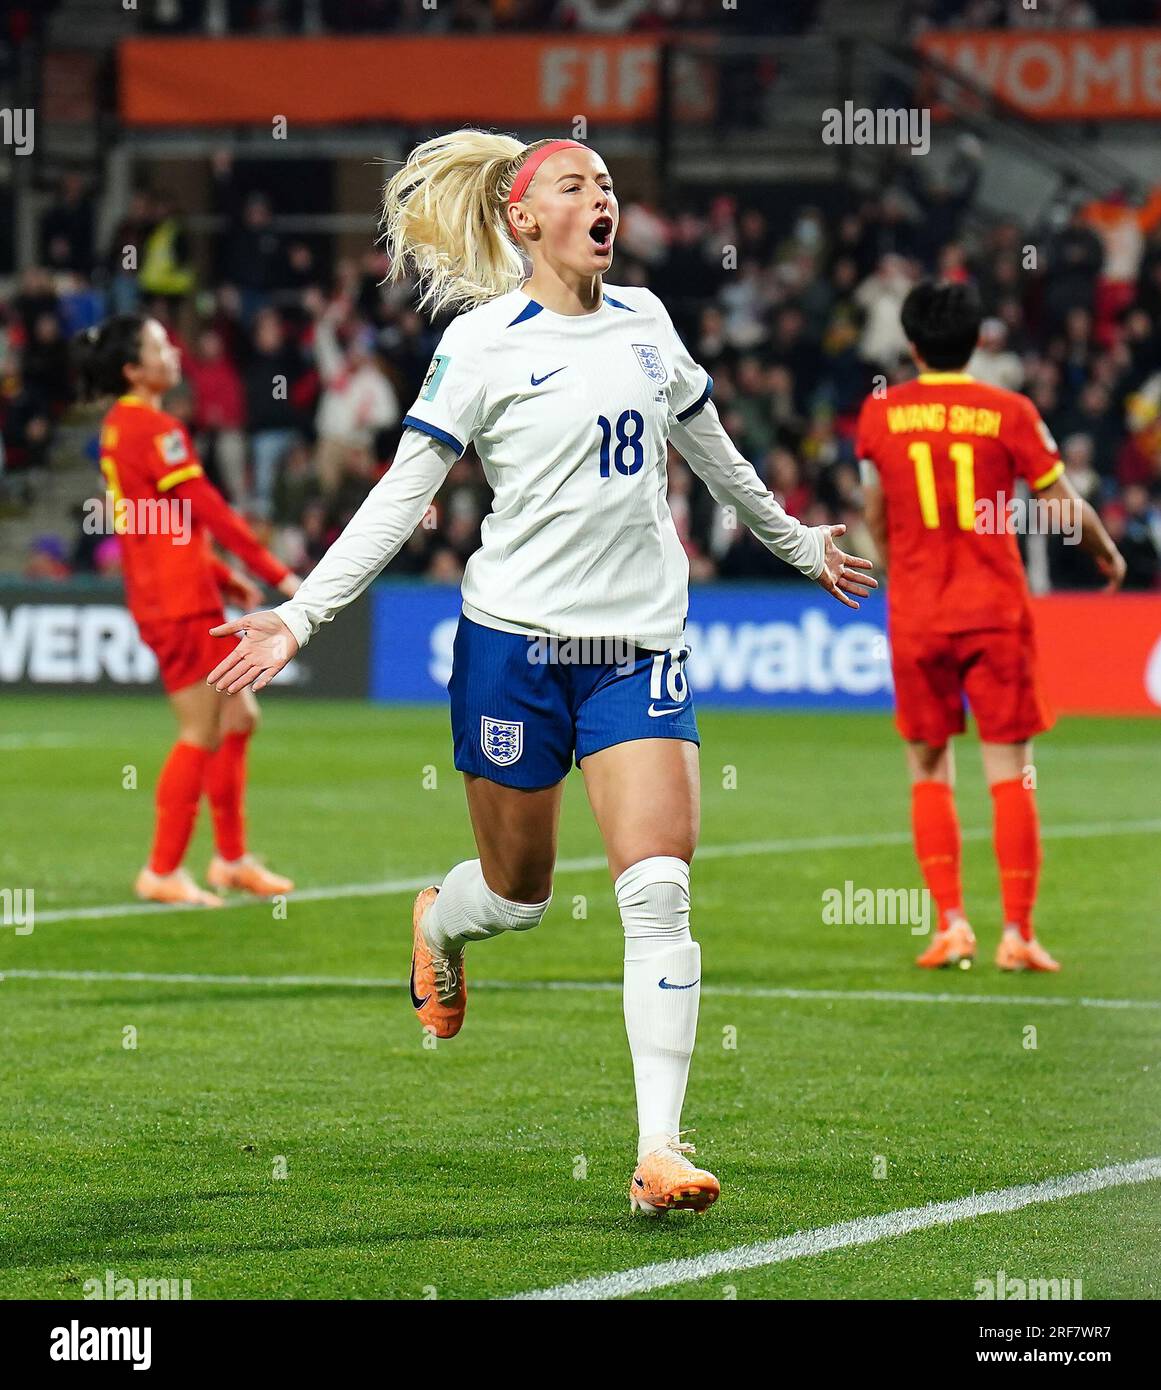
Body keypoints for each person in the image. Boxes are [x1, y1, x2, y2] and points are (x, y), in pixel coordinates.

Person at [205, 131, 873, 1215]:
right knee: (517, 897)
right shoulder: (480, 345)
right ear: (524, 220)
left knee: (658, 891)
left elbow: (713, 454)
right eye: (575, 187)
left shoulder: (649, 323)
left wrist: (794, 540)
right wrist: (301, 613)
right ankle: (438, 925)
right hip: (512, 648)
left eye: (607, 186)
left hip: (638, 651)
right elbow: (399, 494)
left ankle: (659, 1150)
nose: (600, 199)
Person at [857, 280, 1126, 975]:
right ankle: (1017, 934)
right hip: (994, 612)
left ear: (910, 345)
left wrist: (900, 573)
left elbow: (875, 512)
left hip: (918, 614)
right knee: (1011, 770)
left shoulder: (879, 414)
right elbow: (1062, 507)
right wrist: (1106, 554)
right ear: (976, 342)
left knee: (925, 765)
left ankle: (950, 925)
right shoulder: (1007, 410)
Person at [73, 314, 301, 907]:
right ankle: (164, 869)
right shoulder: (154, 427)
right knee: (201, 729)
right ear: (134, 369)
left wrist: (225, 576)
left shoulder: (118, 428)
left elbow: (159, 523)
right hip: (178, 601)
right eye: (157, 345)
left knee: (238, 719)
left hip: (174, 591)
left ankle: (229, 860)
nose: (172, 350)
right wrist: (274, 571)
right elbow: (206, 510)